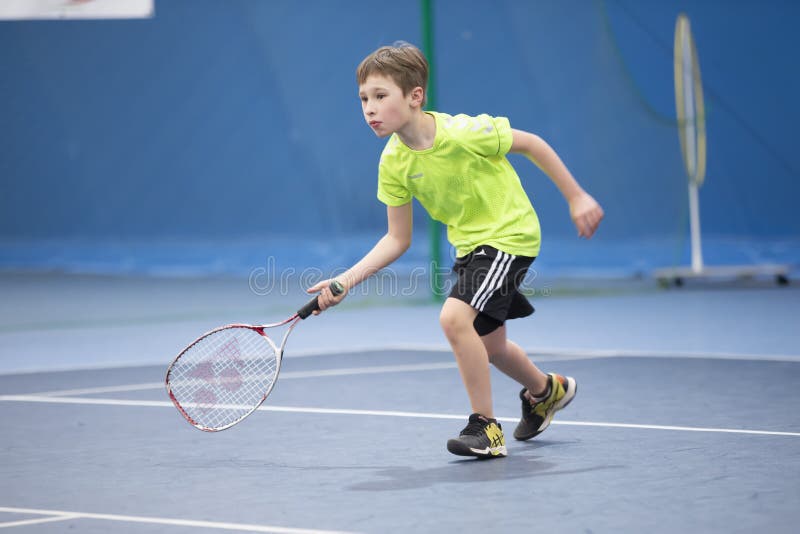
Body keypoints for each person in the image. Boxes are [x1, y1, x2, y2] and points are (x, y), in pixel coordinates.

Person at [309, 42, 604, 459]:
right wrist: (345, 281)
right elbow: (397, 238)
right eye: (363, 99)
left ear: (415, 96)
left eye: (380, 96)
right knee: (490, 343)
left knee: (453, 318)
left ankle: (485, 428)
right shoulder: (393, 163)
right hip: (470, 246)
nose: (369, 109)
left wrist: (576, 197)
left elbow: (533, 144)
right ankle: (544, 392)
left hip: (509, 234)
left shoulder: (466, 133)